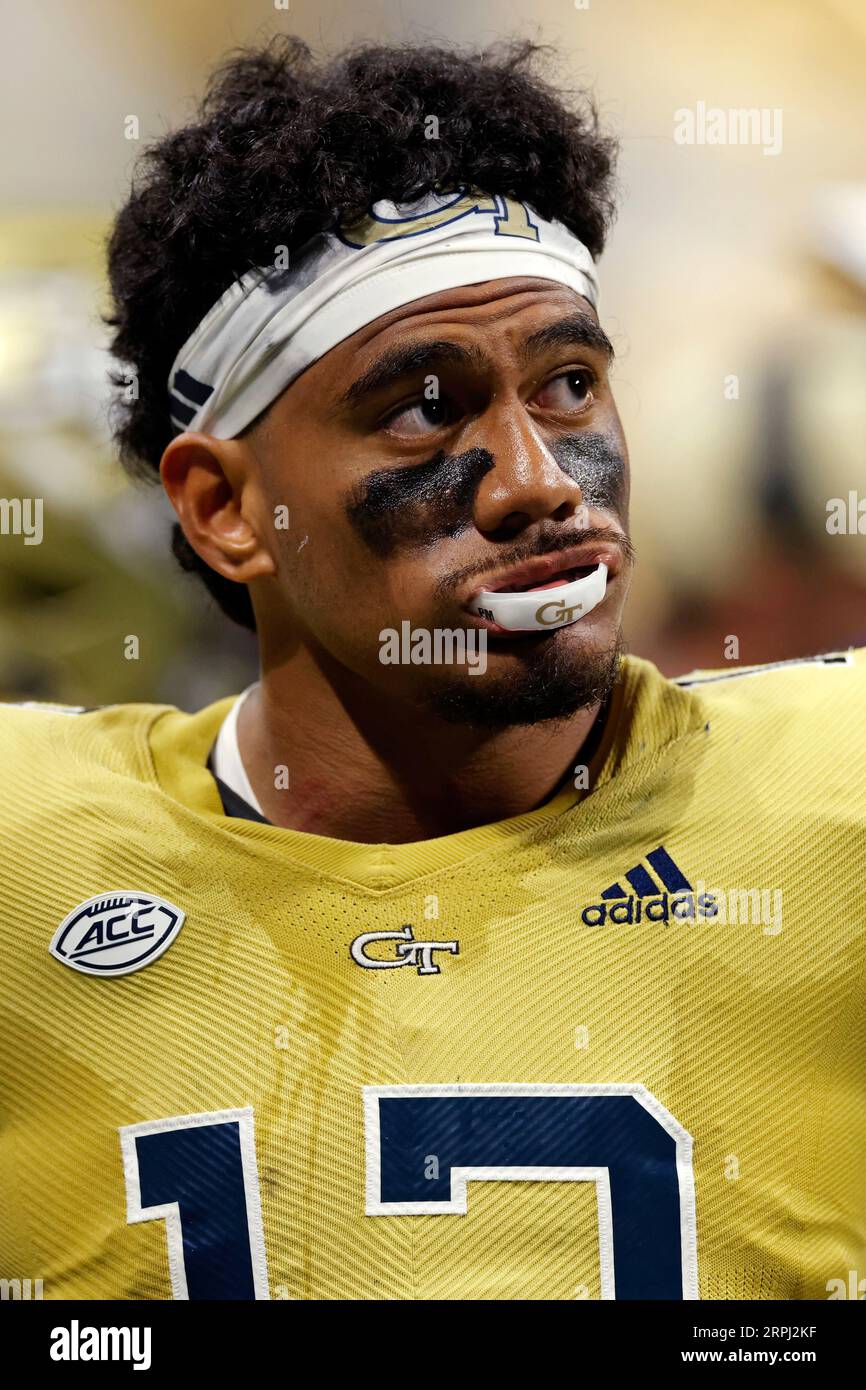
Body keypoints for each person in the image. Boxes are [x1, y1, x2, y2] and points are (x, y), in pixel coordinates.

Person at [1, 37, 863, 1302]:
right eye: (421, 405)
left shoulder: (830, 790)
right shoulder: (34, 856)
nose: (539, 482)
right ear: (225, 508)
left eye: (569, 385)